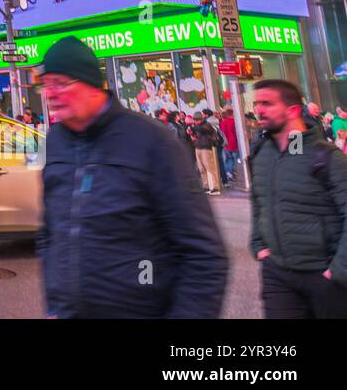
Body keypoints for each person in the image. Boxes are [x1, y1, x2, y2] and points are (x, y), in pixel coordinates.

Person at [37, 36, 227, 318]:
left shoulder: (152, 141)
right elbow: (50, 232)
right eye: (45, 84)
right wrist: (55, 304)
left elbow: (203, 254)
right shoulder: (55, 142)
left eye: (61, 83)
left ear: (91, 85)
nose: (50, 93)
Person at [249, 79, 347, 318]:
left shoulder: (327, 157)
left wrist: (339, 270)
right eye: (256, 103)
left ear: (292, 110)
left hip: (323, 275)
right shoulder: (262, 153)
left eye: (267, 103)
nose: (258, 110)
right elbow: (258, 200)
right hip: (277, 272)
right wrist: (258, 244)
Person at [186, 112, 223, 195]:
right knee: (201, 169)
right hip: (198, 147)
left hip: (206, 148)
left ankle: (215, 187)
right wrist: (191, 133)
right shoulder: (197, 126)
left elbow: (202, 130)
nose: (195, 122)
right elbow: (195, 133)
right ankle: (205, 186)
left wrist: (192, 127)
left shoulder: (207, 125)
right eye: (194, 120)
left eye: (196, 120)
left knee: (210, 168)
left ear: (200, 119)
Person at [220, 107, 240, 186]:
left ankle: (228, 172)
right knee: (235, 159)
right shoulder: (234, 122)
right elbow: (236, 133)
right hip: (234, 143)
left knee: (228, 159)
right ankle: (232, 172)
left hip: (226, 144)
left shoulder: (223, 122)